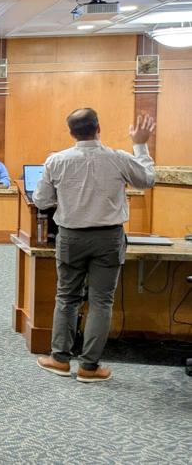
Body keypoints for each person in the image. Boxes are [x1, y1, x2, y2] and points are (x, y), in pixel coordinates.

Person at [34, 109, 156, 383]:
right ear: (98, 127)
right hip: (108, 238)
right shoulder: (118, 158)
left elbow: (41, 201)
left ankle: (59, 359)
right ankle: (89, 367)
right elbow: (147, 179)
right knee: (101, 301)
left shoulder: (56, 161)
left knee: (66, 297)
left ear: (71, 133)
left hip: (70, 237)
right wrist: (140, 143)